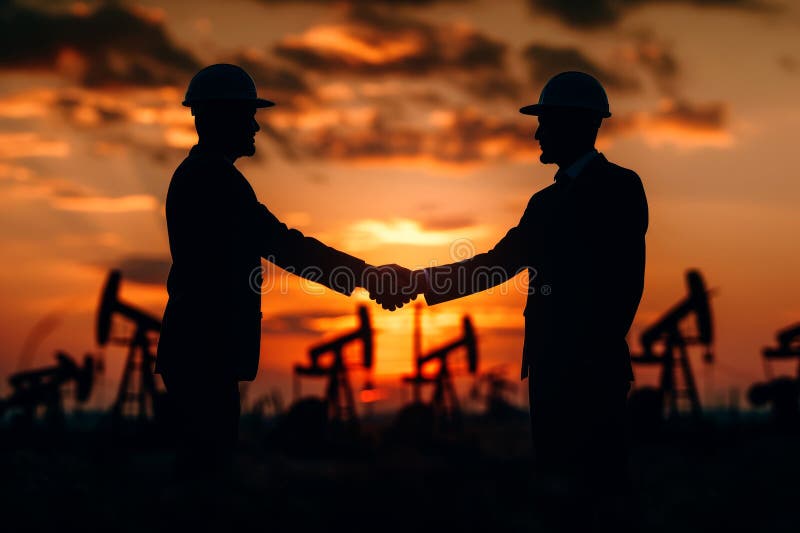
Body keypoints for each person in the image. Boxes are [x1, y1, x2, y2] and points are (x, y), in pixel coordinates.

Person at [380, 71, 648, 532]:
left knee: (599, 497)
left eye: (546, 122)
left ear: (576, 124)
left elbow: (623, 285)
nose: (537, 133)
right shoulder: (546, 202)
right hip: (554, 373)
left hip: (589, 375)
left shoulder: (617, 188)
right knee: (562, 498)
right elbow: (499, 263)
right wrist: (417, 282)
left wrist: (585, 351)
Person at [156, 64, 411, 480]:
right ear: (221, 117)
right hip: (204, 351)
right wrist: (368, 276)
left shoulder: (204, 176)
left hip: (199, 349)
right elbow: (282, 244)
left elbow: (279, 243)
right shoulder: (215, 181)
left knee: (203, 471)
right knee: (206, 475)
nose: (256, 126)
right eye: (248, 115)